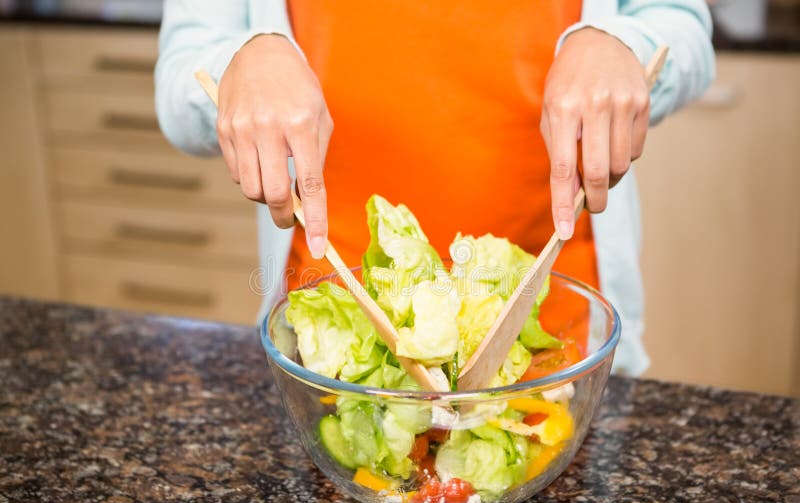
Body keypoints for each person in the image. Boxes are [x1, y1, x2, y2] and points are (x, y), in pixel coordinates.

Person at [156, 0, 714, 375]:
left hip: (563, 337)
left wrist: (617, 42)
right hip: (333, 350)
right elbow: (181, 80)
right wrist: (240, 61)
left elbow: (684, 25)